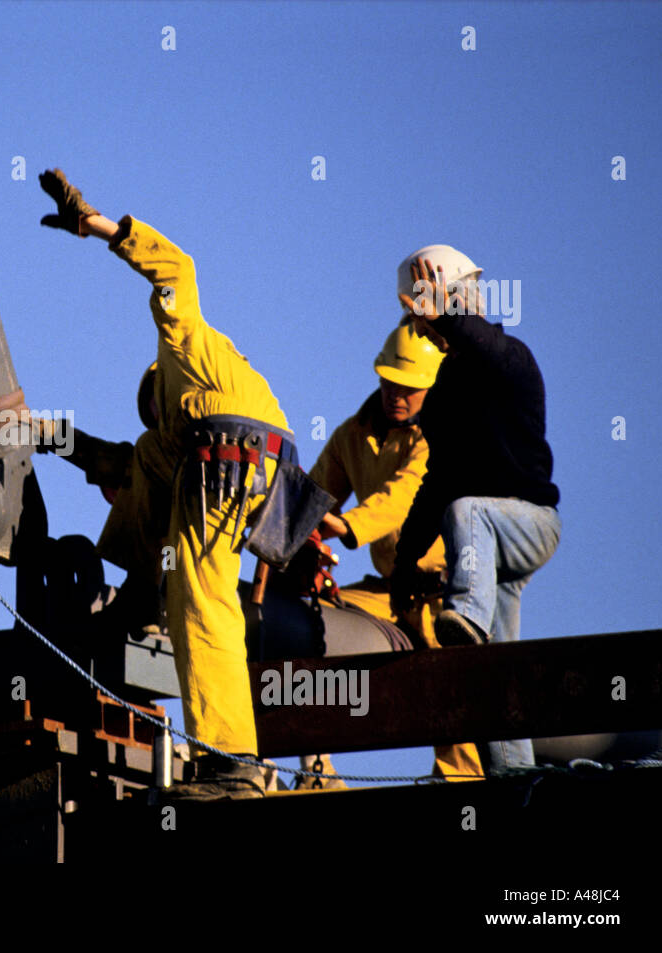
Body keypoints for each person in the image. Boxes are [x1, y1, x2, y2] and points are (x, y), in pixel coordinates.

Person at [38, 168, 313, 800]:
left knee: (202, 604)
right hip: (263, 470)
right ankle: (142, 597)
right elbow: (129, 465)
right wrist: (49, 435)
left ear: (155, 389)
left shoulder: (183, 345)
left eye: (150, 410)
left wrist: (97, 225)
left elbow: (177, 270)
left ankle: (231, 763)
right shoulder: (196, 411)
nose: (152, 419)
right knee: (152, 473)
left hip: (230, 456)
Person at [390, 247, 560, 774]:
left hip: (531, 524)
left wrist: (445, 312)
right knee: (489, 671)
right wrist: (404, 564)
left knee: (467, 512)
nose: (425, 330)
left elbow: (484, 346)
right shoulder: (446, 393)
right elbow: (436, 484)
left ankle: (467, 613)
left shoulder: (511, 359)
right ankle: (515, 777)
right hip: (486, 553)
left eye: (429, 318)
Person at [306, 320, 483, 784]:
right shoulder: (352, 436)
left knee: (451, 681)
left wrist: (347, 526)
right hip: (389, 591)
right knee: (307, 620)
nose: (397, 396)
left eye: (410, 388)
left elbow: (403, 495)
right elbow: (313, 496)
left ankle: (462, 786)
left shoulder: (438, 436)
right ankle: (317, 769)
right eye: (390, 383)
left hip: (442, 593)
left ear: (432, 389)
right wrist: (281, 520)